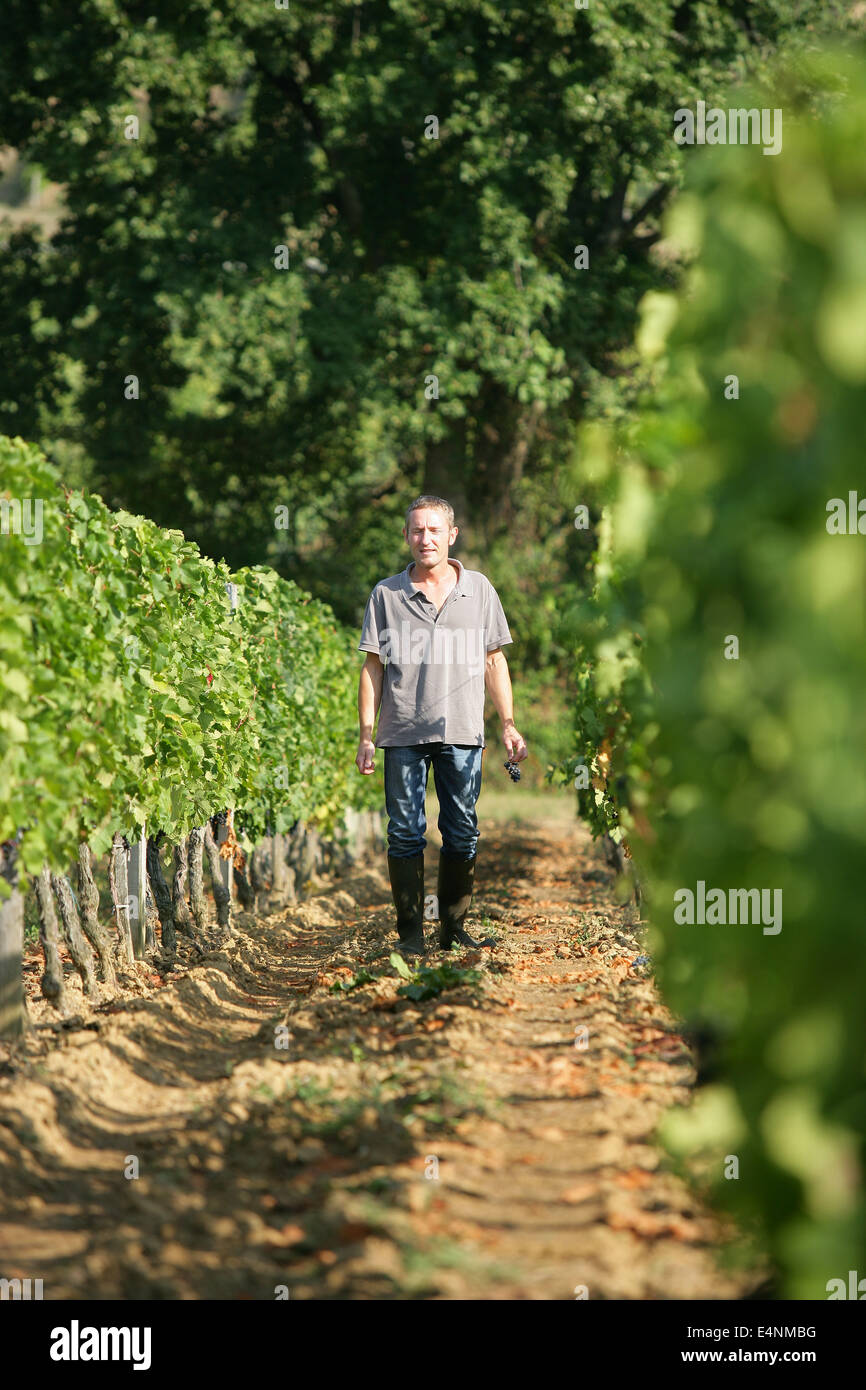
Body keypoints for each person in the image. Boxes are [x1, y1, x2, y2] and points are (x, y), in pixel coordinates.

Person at [355, 495, 528, 956]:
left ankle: (453, 928)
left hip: (463, 731)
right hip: (403, 733)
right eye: (416, 530)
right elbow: (373, 668)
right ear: (407, 536)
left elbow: (495, 661)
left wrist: (508, 724)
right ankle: (411, 934)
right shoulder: (386, 595)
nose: (424, 538)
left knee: (462, 829)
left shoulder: (480, 590)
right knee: (405, 832)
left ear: (452, 535)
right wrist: (366, 735)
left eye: (433, 530)